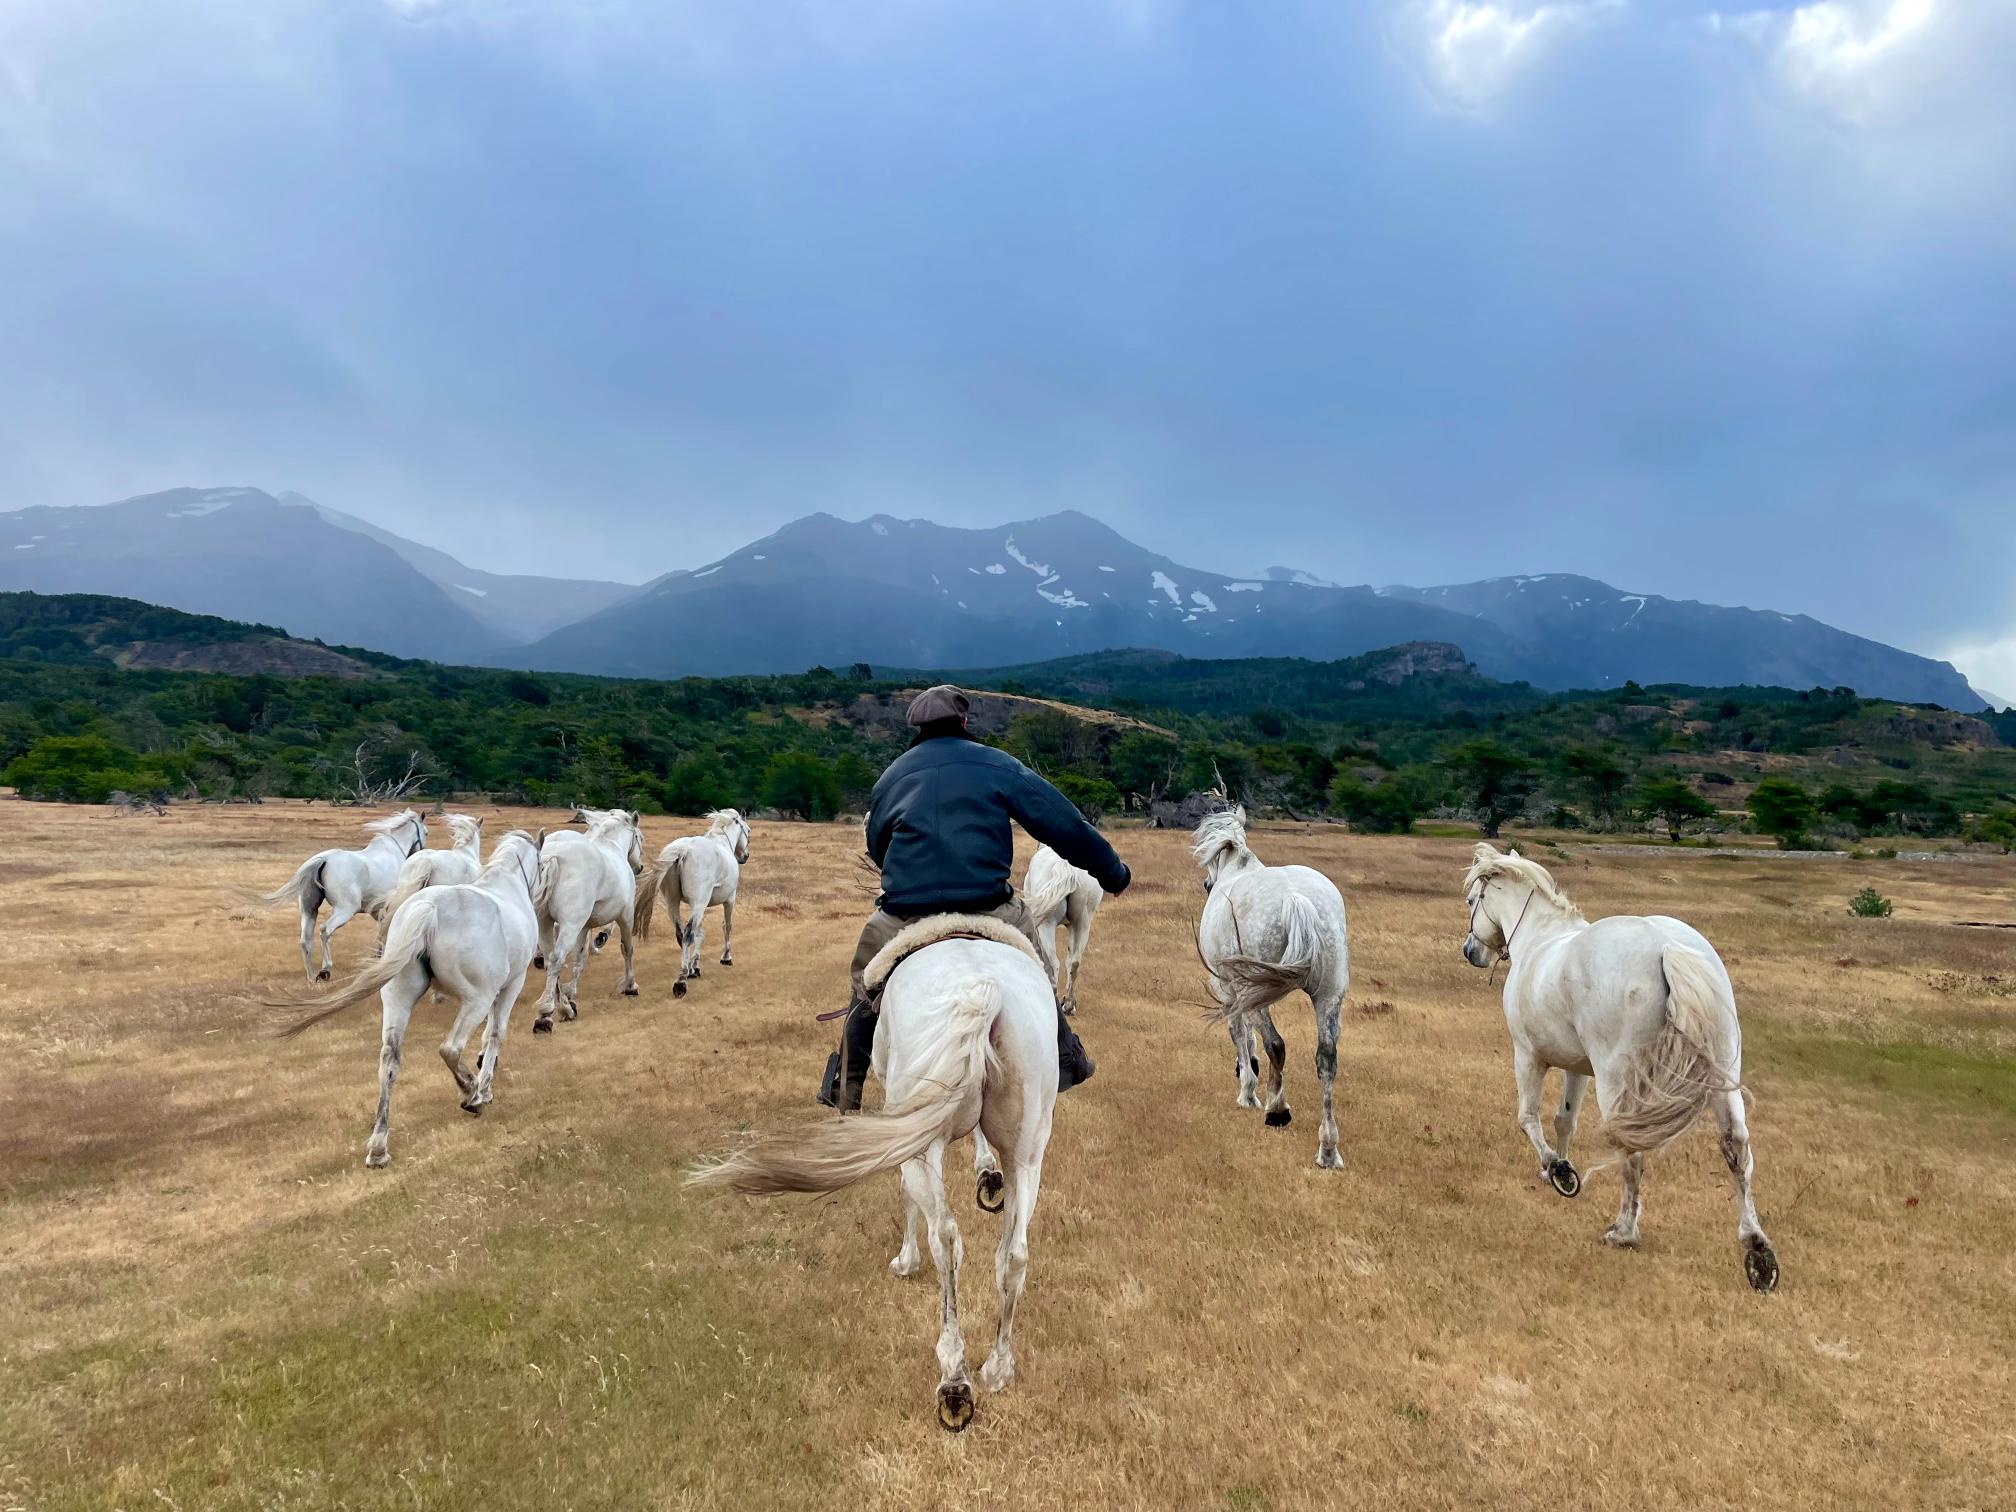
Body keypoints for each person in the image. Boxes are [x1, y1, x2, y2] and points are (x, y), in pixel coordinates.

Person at [817, 684, 1132, 1111]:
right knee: (1036, 964)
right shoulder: (997, 764)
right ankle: (1064, 1057)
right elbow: (1063, 824)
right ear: (964, 721)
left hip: (906, 913)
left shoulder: (891, 777)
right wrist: (1112, 873)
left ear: (917, 726)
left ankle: (846, 1090)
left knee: (865, 980)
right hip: (991, 905)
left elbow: (878, 846)